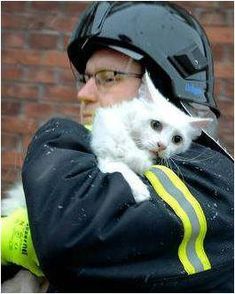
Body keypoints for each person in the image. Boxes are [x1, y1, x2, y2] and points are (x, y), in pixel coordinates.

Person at [1, 2, 233, 292]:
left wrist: (58, 136)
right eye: (84, 79)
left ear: (158, 87)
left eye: (108, 78)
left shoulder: (210, 180)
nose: (83, 94)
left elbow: (68, 234)